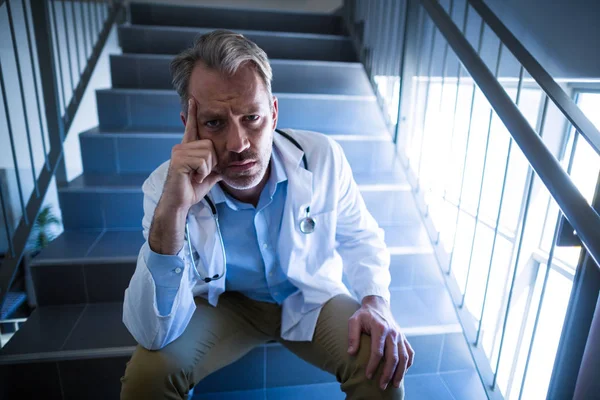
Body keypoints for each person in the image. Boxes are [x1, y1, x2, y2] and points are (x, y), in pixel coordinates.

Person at [120, 30, 414, 399]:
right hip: (225, 303)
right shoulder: (164, 189)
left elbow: (360, 237)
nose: (239, 144)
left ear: (273, 113)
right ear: (189, 125)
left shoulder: (322, 157)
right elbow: (150, 332)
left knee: (381, 365)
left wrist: (375, 301)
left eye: (252, 117)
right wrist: (175, 210)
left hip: (308, 297)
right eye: (214, 123)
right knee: (148, 377)